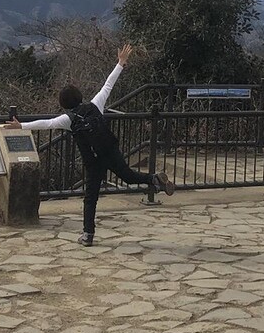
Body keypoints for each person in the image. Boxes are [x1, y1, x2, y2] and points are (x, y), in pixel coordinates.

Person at [11, 44, 173, 245]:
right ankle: (155, 179)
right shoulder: (95, 105)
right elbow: (108, 85)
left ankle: (88, 235)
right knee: (129, 177)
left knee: (90, 198)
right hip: (110, 150)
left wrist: (21, 126)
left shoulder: (68, 119)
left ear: (63, 104)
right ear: (79, 97)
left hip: (93, 161)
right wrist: (120, 63)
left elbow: (47, 124)